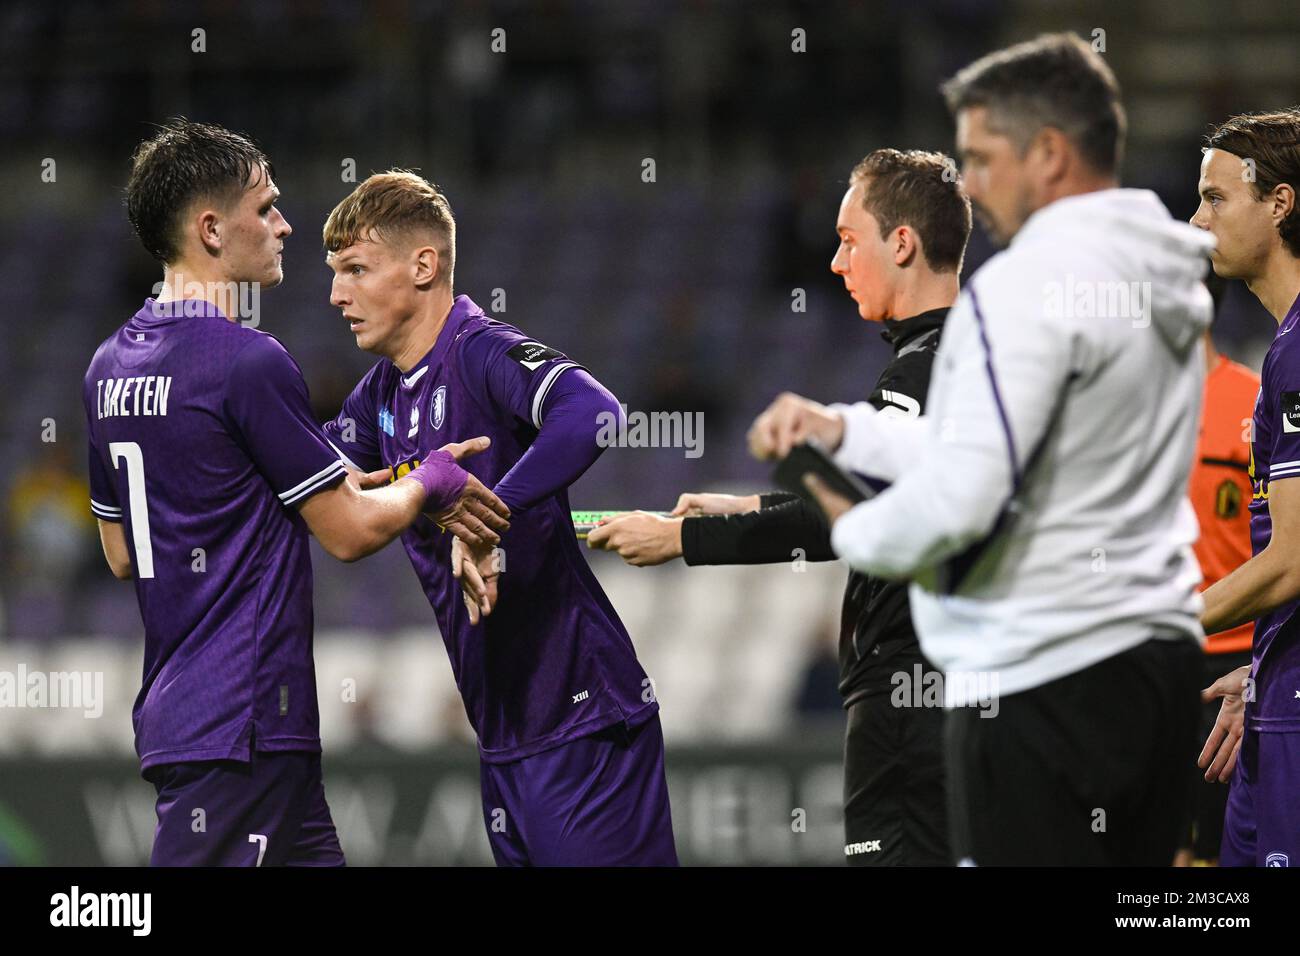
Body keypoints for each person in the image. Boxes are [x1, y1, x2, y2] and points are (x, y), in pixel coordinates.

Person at [749, 33, 1213, 865]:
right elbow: (1012, 446)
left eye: (983, 157)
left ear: (1048, 153)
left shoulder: (1024, 289)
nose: (973, 186)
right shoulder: (1157, 276)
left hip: (1047, 676)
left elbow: (956, 504)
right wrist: (849, 429)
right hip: (1156, 661)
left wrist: (836, 506)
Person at [85, 119, 508, 866]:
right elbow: (347, 534)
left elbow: (121, 553)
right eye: (266, 207)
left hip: (195, 718)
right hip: (242, 721)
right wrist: (433, 478)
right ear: (212, 229)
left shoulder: (107, 369)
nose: (283, 224)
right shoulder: (247, 362)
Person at [587, 149, 970, 865]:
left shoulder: (927, 365)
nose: (833, 262)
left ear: (904, 243)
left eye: (849, 240)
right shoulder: (972, 358)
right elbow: (881, 501)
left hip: (910, 708)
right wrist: (737, 509)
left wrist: (683, 543)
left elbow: (854, 516)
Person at [320, 170, 676, 866]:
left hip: (582, 716)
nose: (337, 295)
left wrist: (493, 515)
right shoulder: (379, 398)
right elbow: (313, 480)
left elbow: (596, 412)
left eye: (356, 269)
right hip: (505, 728)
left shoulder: (479, 352)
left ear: (423, 265)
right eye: (336, 274)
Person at [1192, 108, 1300, 868]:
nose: (1199, 220)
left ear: (1279, 203)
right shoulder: (1283, 350)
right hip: (1271, 687)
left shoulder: (1296, 358)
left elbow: (1294, 560)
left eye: (1216, 198)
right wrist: (1260, 667)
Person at [1175, 271, 1258, 866]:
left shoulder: (1257, 402)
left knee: (1215, 855)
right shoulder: (1121, 417)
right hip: (1149, 662)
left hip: (1233, 667)